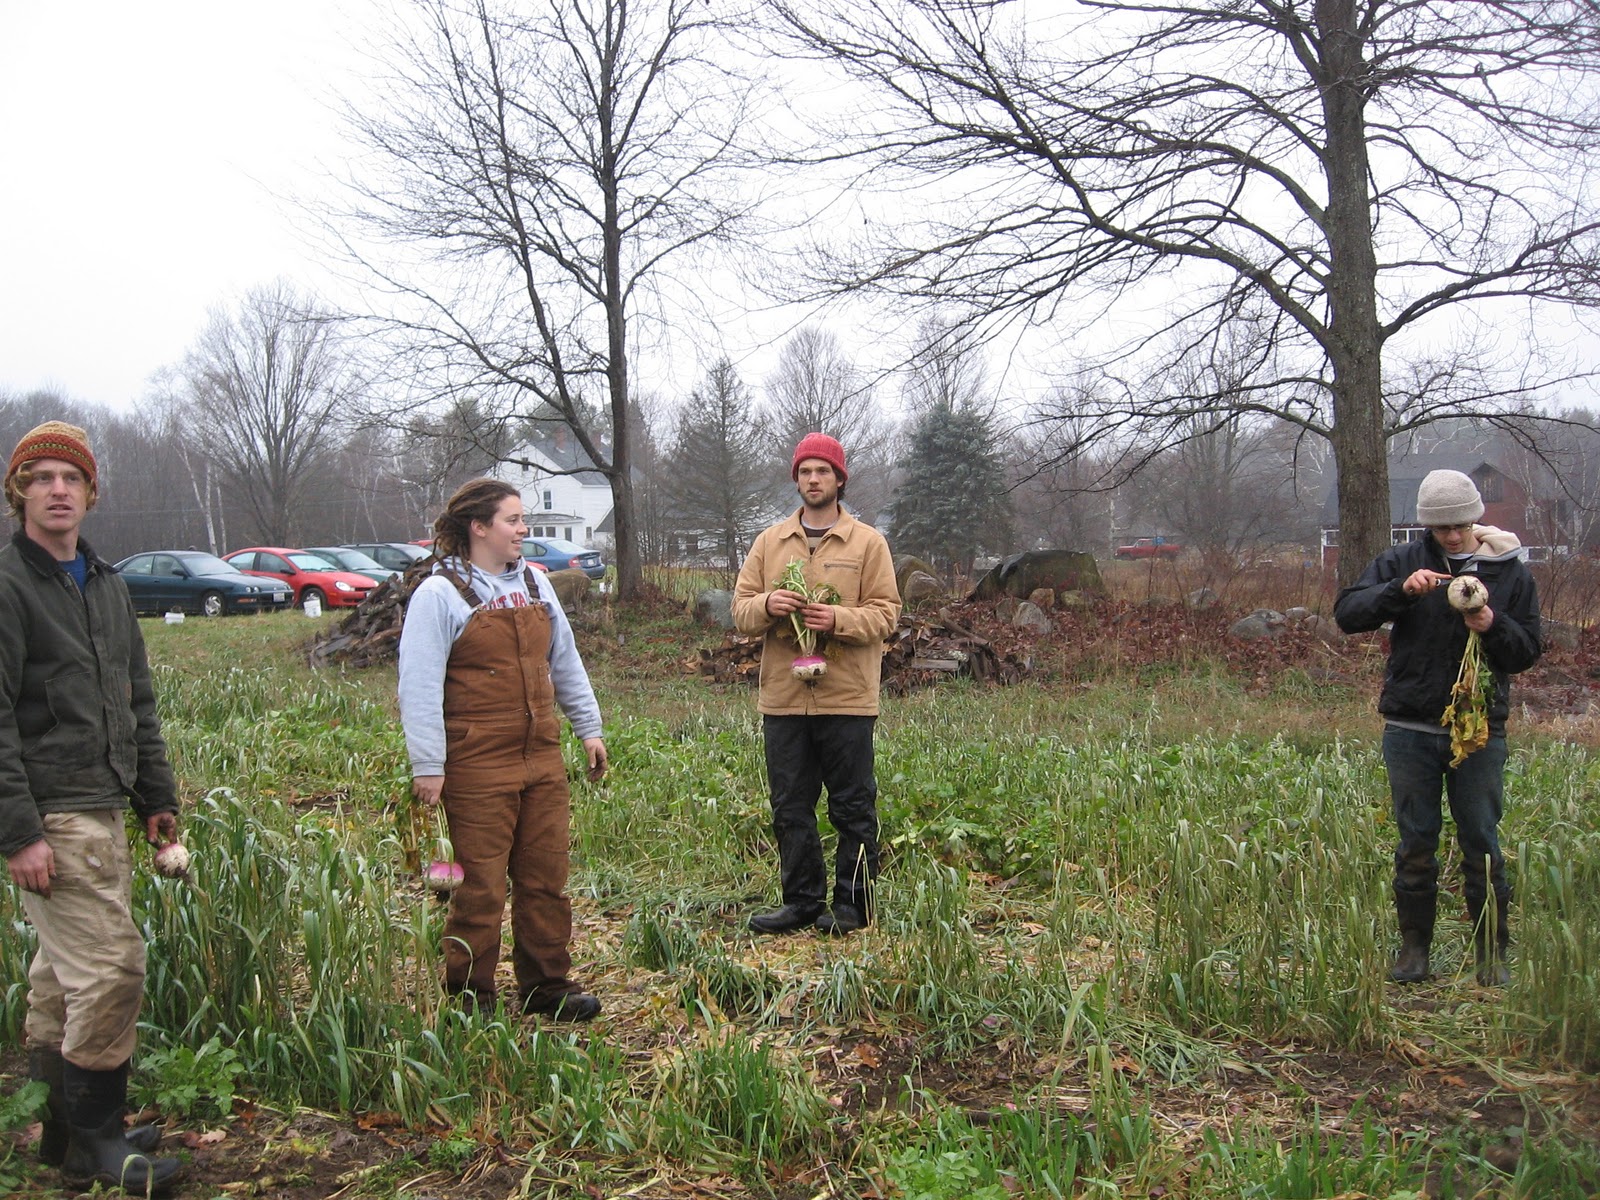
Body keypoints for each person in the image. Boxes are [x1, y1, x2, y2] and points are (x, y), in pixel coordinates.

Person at [0, 421, 182, 1193]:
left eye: (70, 478)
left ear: (91, 492)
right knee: (111, 966)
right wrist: (18, 833)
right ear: (19, 493)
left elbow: (135, 698)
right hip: (52, 816)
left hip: (104, 805)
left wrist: (156, 797)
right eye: (39, 477)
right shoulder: (9, 586)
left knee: (59, 977)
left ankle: (64, 1133)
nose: (57, 490)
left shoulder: (105, 584)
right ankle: (100, 1145)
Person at [398, 478, 608, 1020]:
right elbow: (417, 684)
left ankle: (547, 987)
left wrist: (588, 728)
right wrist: (429, 764)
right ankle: (472, 998)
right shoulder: (440, 594)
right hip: (474, 763)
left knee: (546, 879)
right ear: (479, 526)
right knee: (479, 889)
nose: (524, 529)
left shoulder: (537, 583)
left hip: (540, 758)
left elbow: (565, 663)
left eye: (523, 520)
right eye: (513, 520)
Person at [1334, 469, 1542, 986]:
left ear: (1477, 517)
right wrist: (1399, 593)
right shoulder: (1403, 561)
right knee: (1417, 841)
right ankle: (1414, 952)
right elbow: (1347, 614)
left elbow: (1526, 653)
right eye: (1441, 527)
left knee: (1481, 841)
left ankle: (1491, 956)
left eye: (1461, 524)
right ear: (1427, 525)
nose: (1452, 535)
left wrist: (1493, 625)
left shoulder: (1509, 570)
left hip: (1478, 730)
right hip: (1410, 725)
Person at [733, 433, 901, 935]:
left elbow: (887, 614)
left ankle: (852, 907)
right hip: (784, 700)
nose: (813, 479)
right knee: (791, 805)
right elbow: (741, 612)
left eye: (822, 471)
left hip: (847, 697)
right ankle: (802, 902)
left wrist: (837, 619)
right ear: (796, 479)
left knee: (852, 805)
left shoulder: (868, 543)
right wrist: (767, 605)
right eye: (805, 471)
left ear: (839, 479)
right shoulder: (769, 542)